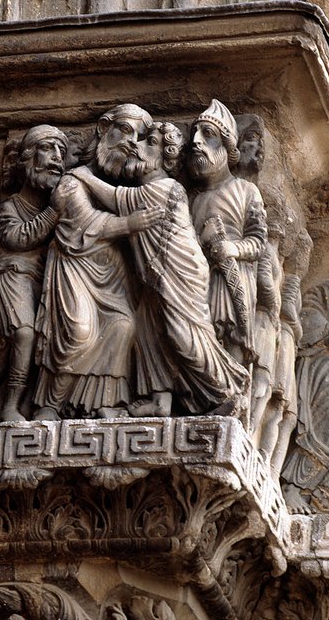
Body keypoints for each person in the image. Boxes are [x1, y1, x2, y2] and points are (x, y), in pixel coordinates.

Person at [69, 119, 247, 418]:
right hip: (154, 275)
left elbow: (118, 198)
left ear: (165, 158)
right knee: (149, 331)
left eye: (149, 143)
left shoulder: (166, 188)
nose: (137, 147)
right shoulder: (154, 187)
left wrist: (84, 177)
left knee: (183, 335)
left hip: (180, 275)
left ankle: (227, 389)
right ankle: (160, 400)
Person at [33, 104, 165, 418]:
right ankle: (50, 405)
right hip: (76, 269)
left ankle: (100, 405)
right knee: (79, 331)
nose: (134, 143)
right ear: (104, 127)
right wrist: (130, 224)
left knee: (123, 326)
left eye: (142, 138)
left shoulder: (133, 189)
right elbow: (85, 222)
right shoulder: (72, 182)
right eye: (127, 131)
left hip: (112, 277)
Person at [0, 125, 67, 422]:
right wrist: (52, 213)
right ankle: (6, 406)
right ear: (27, 158)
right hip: (11, 278)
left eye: (61, 153)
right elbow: (17, 239)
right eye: (48, 149)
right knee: (21, 336)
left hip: (39, 284)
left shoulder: (57, 208)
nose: (56, 159)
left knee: (15, 350)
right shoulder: (11, 206)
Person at [189, 100, 267, 370]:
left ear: (227, 145)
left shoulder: (245, 191)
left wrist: (233, 248)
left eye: (207, 135)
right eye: (194, 135)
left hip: (235, 279)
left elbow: (258, 242)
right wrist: (202, 243)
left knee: (233, 341)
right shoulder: (191, 198)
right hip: (199, 280)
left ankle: (235, 397)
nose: (196, 142)